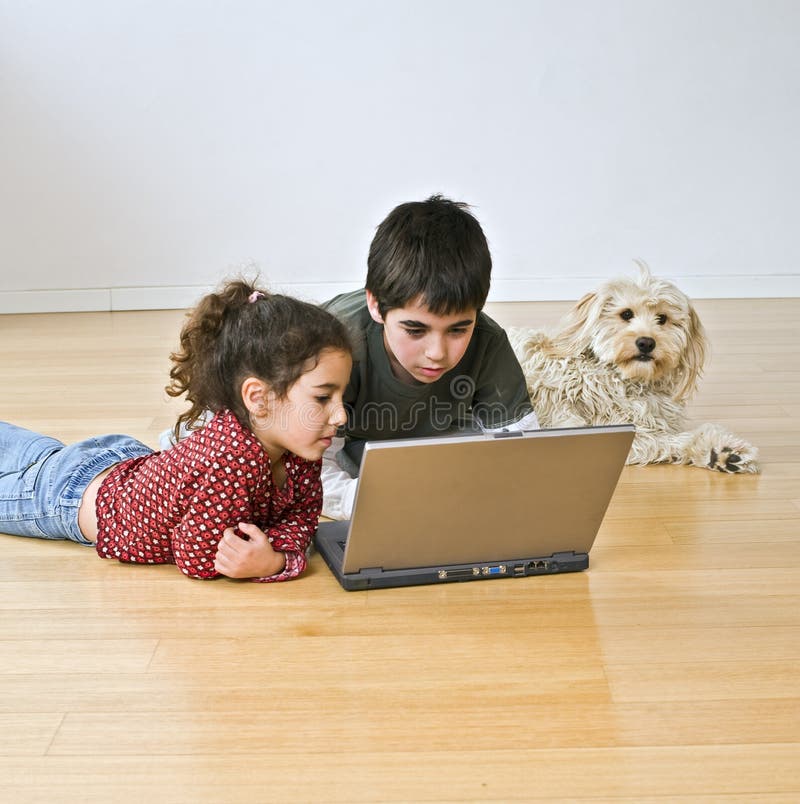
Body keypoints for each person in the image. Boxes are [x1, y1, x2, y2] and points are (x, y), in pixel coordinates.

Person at [0, 281, 352, 582]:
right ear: (258, 398)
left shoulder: (301, 450)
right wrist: (270, 561)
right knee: (40, 467)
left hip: (119, 464)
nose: (340, 415)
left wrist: (277, 557)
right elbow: (197, 558)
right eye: (323, 397)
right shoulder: (230, 460)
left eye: (341, 395)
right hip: (67, 498)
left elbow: (302, 521)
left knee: (37, 456)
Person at [319, 194, 538, 519]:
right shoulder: (334, 343)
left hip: (445, 450)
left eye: (457, 330)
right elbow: (306, 464)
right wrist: (386, 507)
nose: (437, 354)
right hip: (356, 453)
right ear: (376, 306)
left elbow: (521, 448)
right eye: (415, 330)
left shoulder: (488, 341)